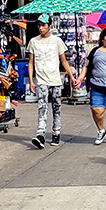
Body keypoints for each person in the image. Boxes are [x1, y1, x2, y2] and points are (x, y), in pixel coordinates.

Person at [28, 14, 76, 148]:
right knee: (42, 106)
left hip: (55, 80)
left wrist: (72, 77)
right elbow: (31, 62)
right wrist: (32, 81)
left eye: (43, 25)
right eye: (39, 25)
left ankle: (56, 132)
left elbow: (64, 61)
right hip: (41, 80)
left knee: (56, 107)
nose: (41, 28)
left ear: (50, 26)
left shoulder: (57, 41)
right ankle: (40, 134)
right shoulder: (33, 41)